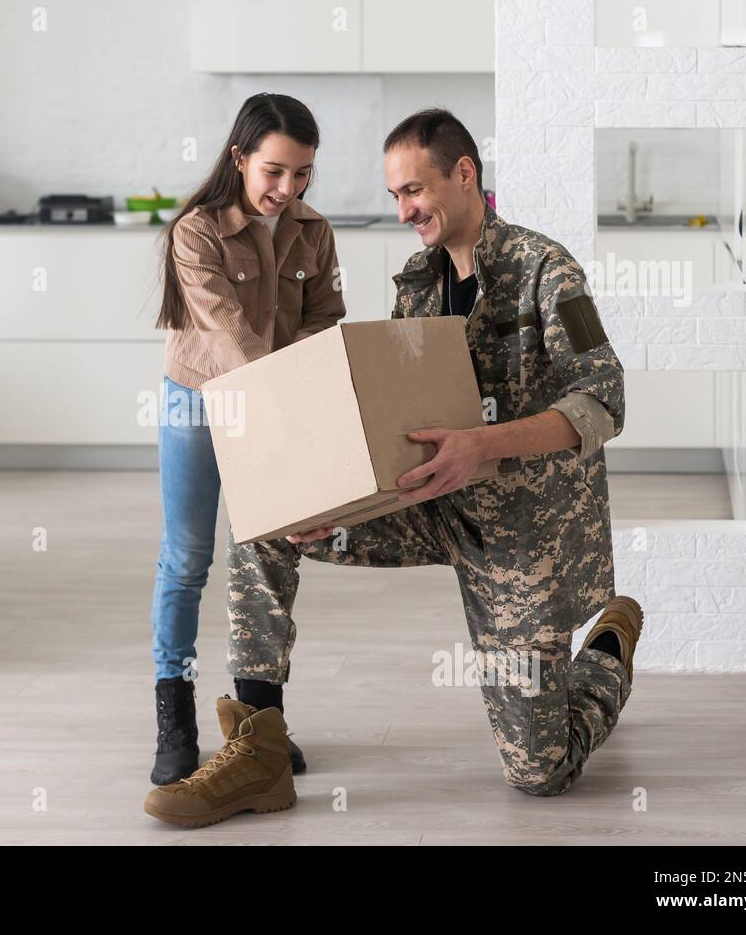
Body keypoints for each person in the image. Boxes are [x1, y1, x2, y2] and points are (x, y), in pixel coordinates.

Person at [144, 107, 642, 827]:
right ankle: (259, 745)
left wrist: (485, 445)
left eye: (414, 191)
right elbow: (394, 407)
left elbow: (606, 398)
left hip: (520, 534)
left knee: (539, 771)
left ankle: (604, 651)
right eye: (395, 197)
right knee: (272, 521)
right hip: (429, 505)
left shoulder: (545, 268)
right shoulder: (416, 282)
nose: (405, 211)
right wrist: (328, 490)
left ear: (464, 174)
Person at [147, 93, 345, 785]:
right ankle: (175, 720)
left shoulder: (314, 231)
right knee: (188, 558)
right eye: (274, 172)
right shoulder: (195, 233)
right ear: (239, 158)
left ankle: (258, 725)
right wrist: (289, 403)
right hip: (201, 400)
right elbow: (230, 335)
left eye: (303, 174)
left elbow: (327, 316)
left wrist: (303, 380)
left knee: (264, 554)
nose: (287, 189)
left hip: (275, 400)